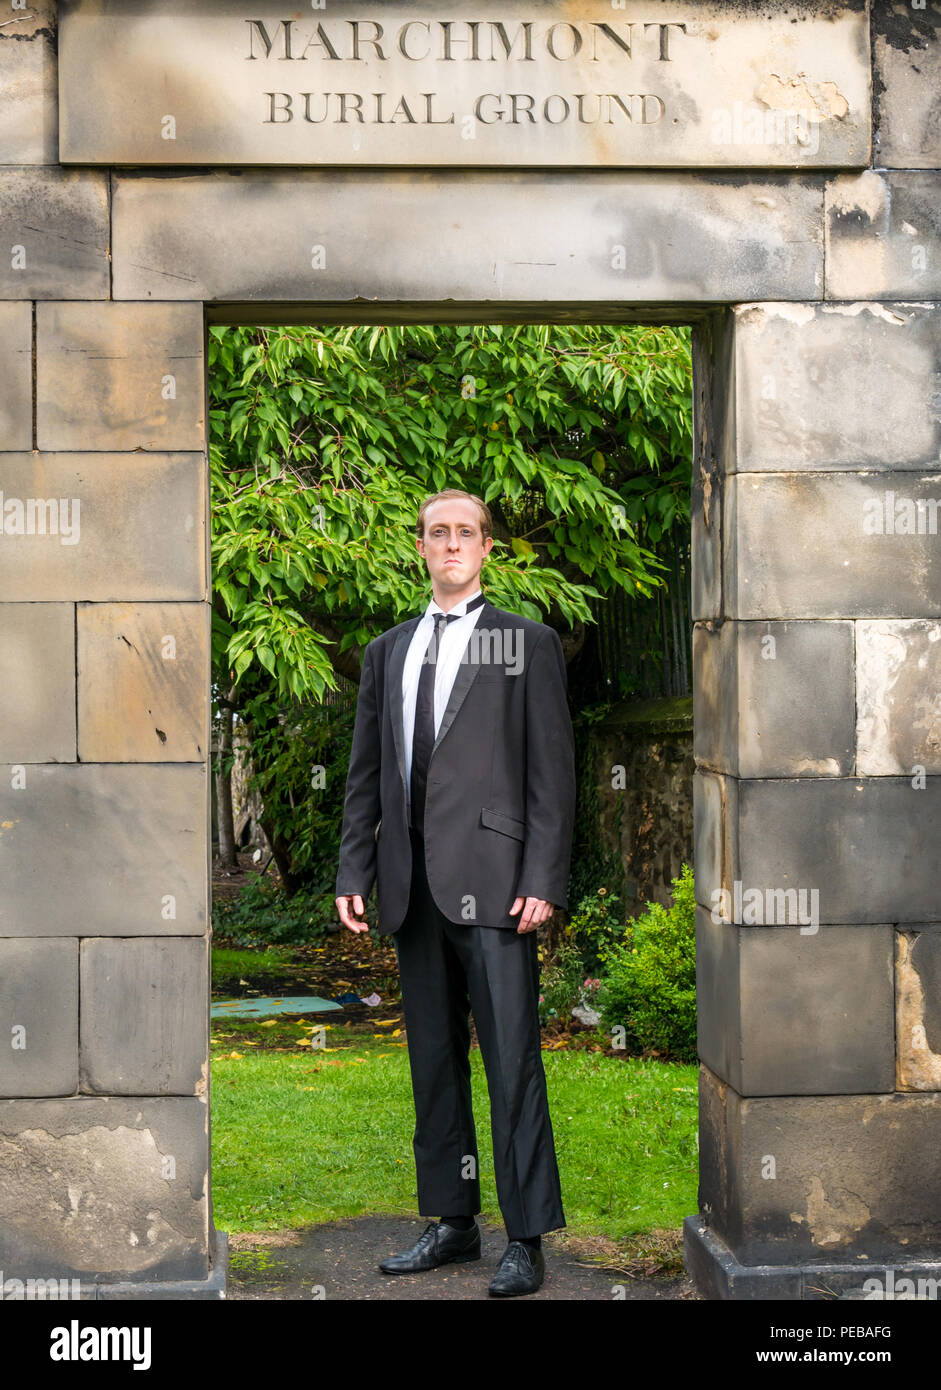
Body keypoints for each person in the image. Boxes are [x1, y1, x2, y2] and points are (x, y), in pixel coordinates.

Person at [334, 488, 576, 1297]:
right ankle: (451, 1222)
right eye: (436, 534)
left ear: (484, 549)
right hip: (409, 888)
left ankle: (527, 1237)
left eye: (463, 533)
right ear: (420, 548)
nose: (449, 545)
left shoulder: (526, 644)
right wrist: (352, 872)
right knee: (432, 1064)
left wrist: (542, 876)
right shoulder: (387, 651)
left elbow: (552, 773)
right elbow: (366, 775)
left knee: (512, 1064)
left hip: (499, 889)